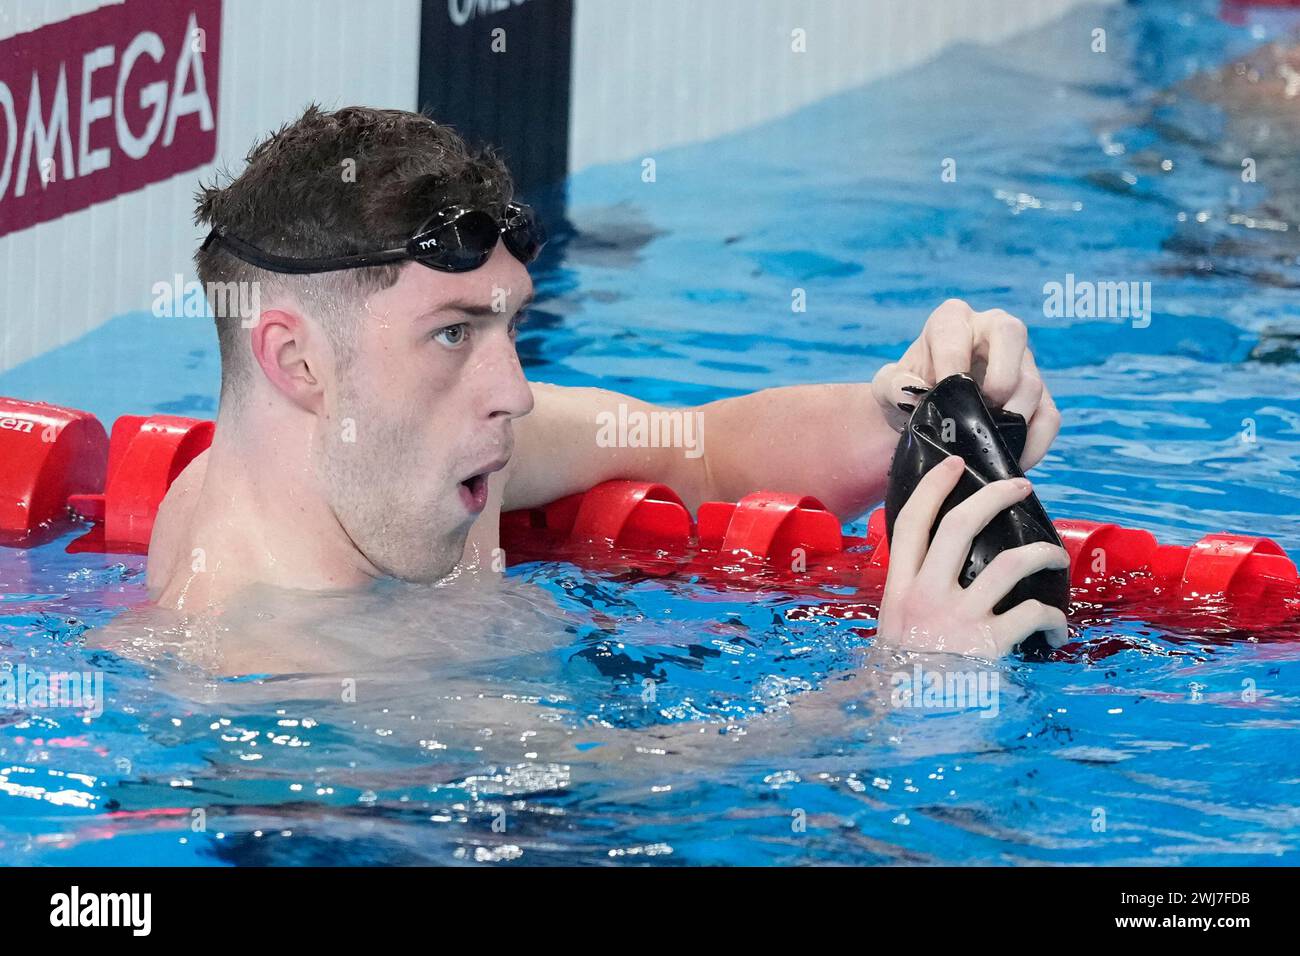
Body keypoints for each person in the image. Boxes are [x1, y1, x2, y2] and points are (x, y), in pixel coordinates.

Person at [146, 104, 1069, 661]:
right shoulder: (271, 671)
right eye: (454, 333)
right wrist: (909, 683)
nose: (511, 388)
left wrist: (909, 407)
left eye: (508, 322)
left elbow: (698, 452)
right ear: (295, 361)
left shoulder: (407, 462)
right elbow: (666, 819)